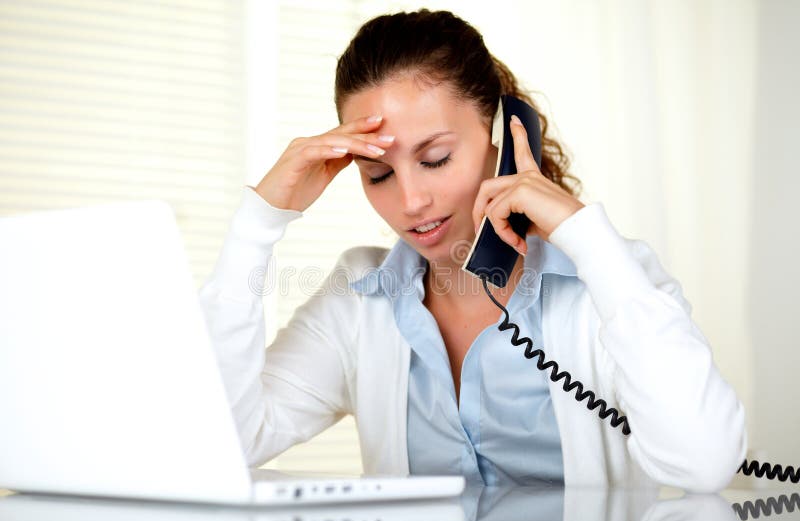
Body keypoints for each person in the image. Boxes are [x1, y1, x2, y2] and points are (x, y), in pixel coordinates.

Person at [199, 9, 746, 491]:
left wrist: (584, 236)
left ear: (504, 140)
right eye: (379, 173)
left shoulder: (606, 283)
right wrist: (259, 223)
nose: (411, 201)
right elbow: (223, 443)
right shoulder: (357, 301)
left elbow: (704, 463)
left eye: (435, 158)